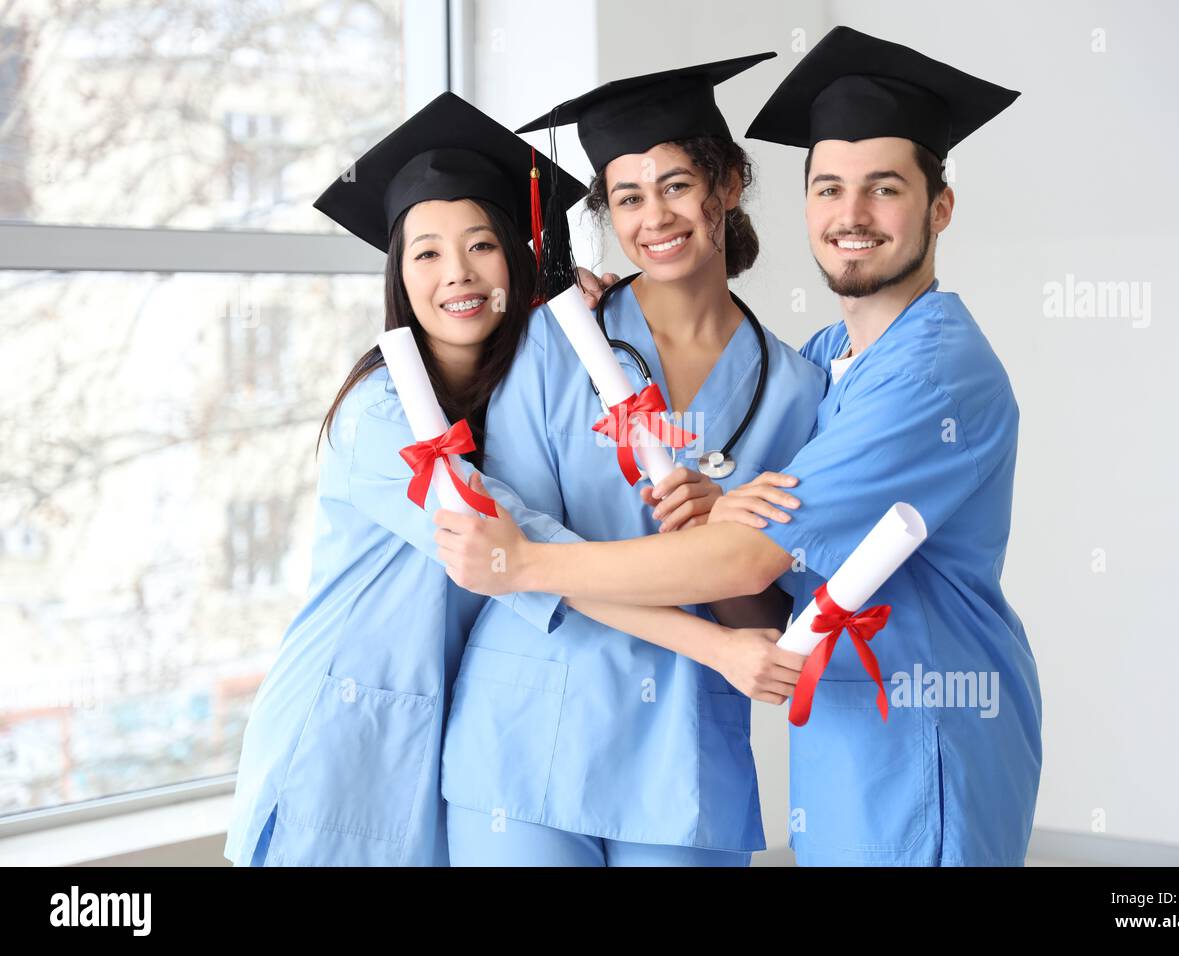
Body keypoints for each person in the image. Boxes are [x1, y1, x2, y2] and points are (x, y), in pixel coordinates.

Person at [436, 28, 1044, 867]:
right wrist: (718, 519)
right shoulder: (829, 359)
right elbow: (511, 524)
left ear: (726, 186)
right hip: (540, 727)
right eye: (830, 187)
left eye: (885, 189)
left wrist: (532, 562)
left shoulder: (824, 383)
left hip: (876, 733)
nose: (852, 214)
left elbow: (753, 573)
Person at [222, 92, 783, 866]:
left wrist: (573, 310)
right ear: (398, 273)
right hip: (346, 719)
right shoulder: (385, 416)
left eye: (483, 246)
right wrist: (711, 645)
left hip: (438, 714)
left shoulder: (515, 376)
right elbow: (521, 557)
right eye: (426, 253)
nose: (458, 274)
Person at [437, 53, 828, 866]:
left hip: (681, 751)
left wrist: (724, 546)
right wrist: (687, 564)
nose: (655, 216)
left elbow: (768, 617)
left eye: (678, 184)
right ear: (607, 214)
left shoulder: (796, 389)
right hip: (529, 728)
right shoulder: (554, 344)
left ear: (726, 184)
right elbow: (515, 553)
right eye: (627, 196)